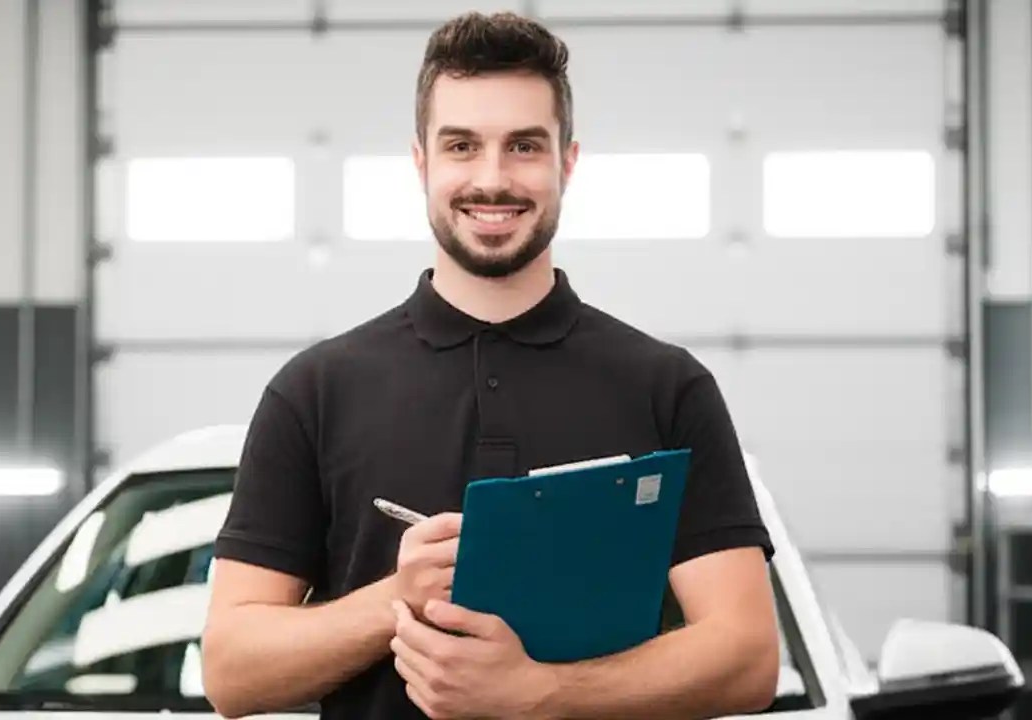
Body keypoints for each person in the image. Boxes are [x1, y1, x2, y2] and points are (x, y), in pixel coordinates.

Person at [202, 10, 778, 720]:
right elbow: (230, 671)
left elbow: (748, 656)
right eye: (462, 145)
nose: (493, 178)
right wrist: (396, 599)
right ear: (422, 162)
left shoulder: (667, 387)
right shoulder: (315, 391)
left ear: (567, 162)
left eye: (525, 146)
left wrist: (542, 694)